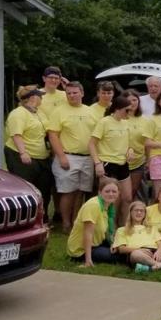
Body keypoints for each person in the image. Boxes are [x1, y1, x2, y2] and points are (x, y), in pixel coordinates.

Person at [46, 80, 96, 233]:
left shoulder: (90, 111)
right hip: (68, 157)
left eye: (75, 92)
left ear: (82, 93)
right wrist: (61, 156)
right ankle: (66, 223)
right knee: (68, 192)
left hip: (87, 157)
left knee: (81, 191)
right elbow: (53, 135)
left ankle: (76, 222)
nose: (72, 95)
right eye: (69, 93)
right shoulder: (59, 111)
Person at [5, 86, 52, 212]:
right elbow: (16, 135)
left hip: (42, 157)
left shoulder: (38, 112)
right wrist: (23, 153)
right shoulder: (18, 114)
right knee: (25, 188)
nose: (42, 98)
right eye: (40, 95)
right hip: (23, 156)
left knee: (44, 188)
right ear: (33, 97)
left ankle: (42, 216)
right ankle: (23, 215)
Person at [89, 92, 136, 215]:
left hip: (123, 164)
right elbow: (92, 144)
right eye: (127, 110)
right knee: (110, 199)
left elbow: (128, 143)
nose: (130, 113)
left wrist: (130, 151)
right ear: (118, 109)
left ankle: (124, 227)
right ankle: (109, 229)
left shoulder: (126, 123)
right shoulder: (104, 122)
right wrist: (97, 163)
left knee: (127, 197)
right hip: (108, 163)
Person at [66, 177, 121, 267]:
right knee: (119, 256)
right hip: (81, 250)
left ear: (119, 193)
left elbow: (108, 232)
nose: (111, 194)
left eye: (114, 191)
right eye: (107, 191)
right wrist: (88, 260)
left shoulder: (109, 207)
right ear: (100, 192)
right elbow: (88, 233)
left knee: (121, 247)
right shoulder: (93, 205)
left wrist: (113, 244)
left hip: (98, 243)